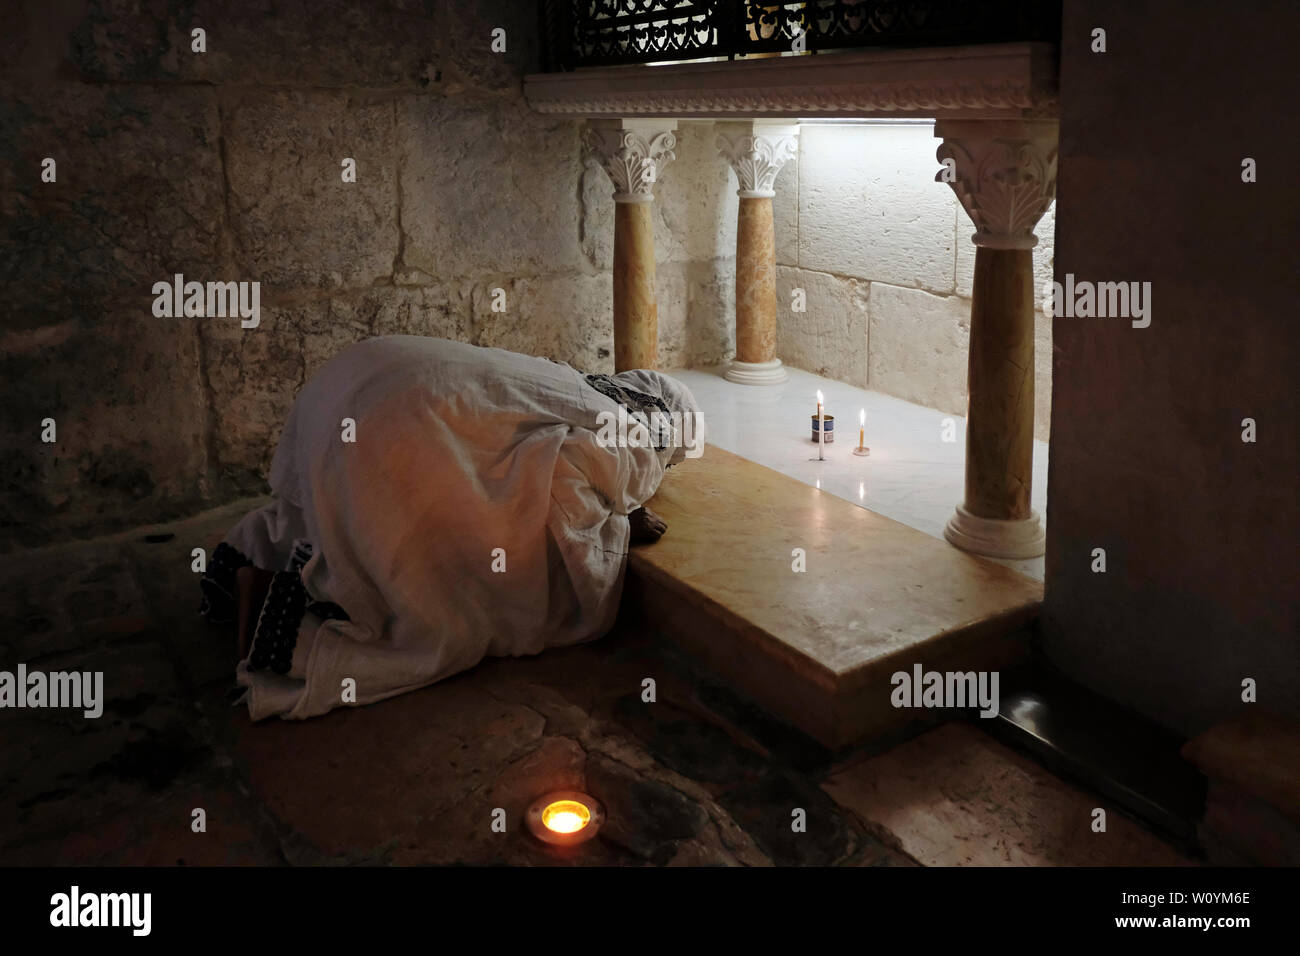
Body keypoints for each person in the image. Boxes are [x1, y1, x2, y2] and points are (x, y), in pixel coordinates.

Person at [198, 335, 704, 720]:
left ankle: (263, 565)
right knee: (436, 606)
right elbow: (573, 481)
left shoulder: (559, 378)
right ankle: (295, 626)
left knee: (328, 514)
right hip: (392, 414)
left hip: (351, 378)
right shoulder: (636, 431)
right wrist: (620, 518)